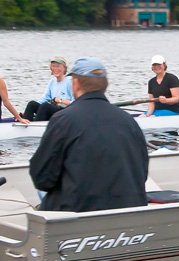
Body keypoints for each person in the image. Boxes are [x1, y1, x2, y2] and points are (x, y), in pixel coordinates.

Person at [29, 56, 149, 212]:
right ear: (105, 85)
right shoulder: (129, 121)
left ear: (76, 83)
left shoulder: (63, 120)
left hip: (79, 214)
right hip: (127, 212)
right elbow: (142, 174)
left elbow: (42, 179)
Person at [22, 56, 74, 122]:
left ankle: (36, 126)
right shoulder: (52, 82)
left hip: (65, 113)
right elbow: (44, 98)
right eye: (53, 66)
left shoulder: (70, 81)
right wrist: (26, 111)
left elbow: (76, 103)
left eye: (58, 66)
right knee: (31, 104)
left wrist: (60, 100)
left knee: (45, 106)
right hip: (53, 110)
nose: (55, 69)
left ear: (64, 68)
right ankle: (25, 123)